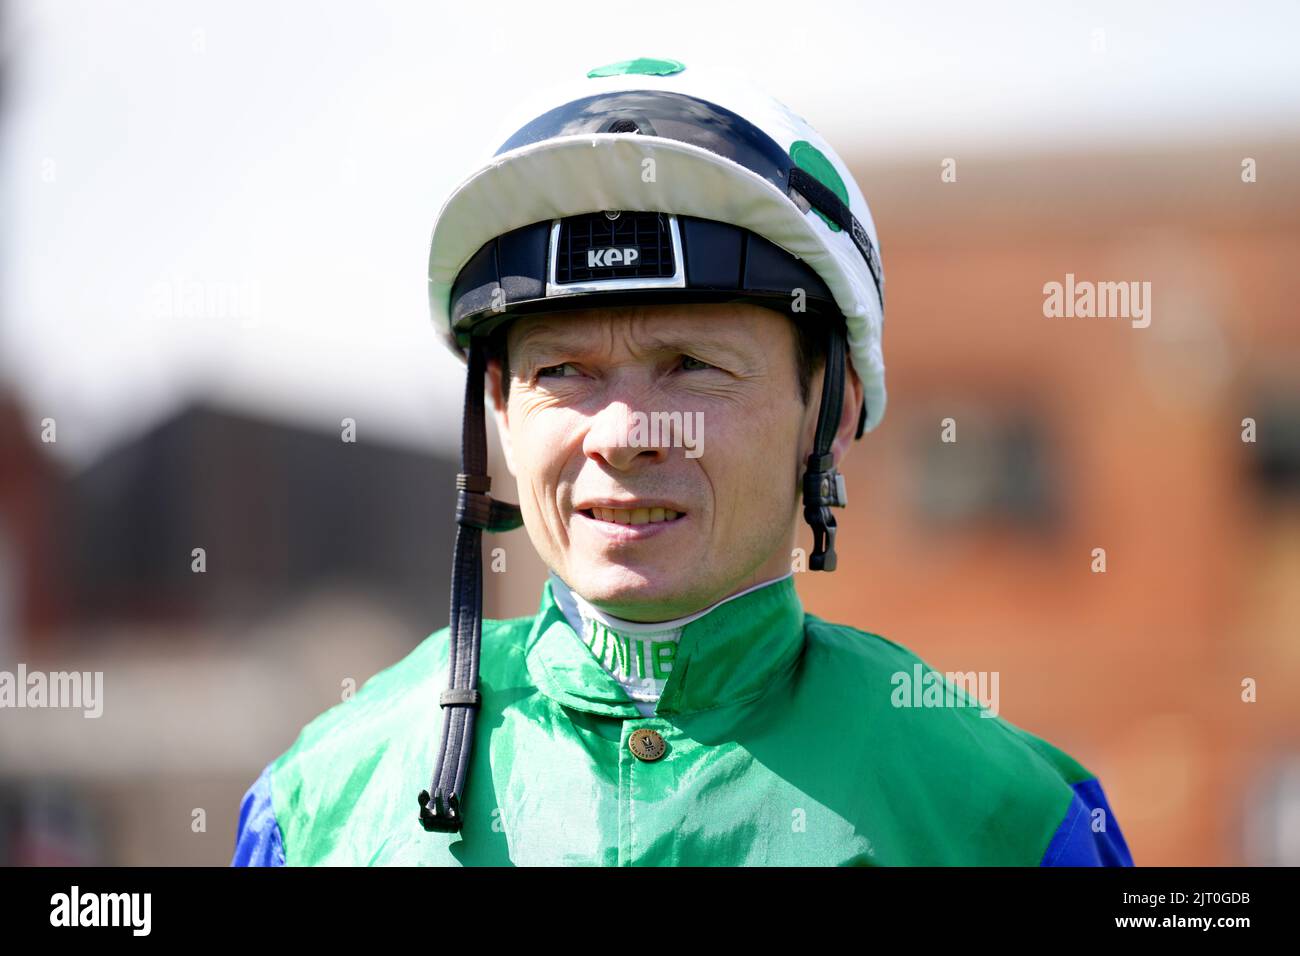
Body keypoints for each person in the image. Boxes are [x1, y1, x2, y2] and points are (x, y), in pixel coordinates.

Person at [231, 57, 1133, 866]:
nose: (622, 434)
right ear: (501, 409)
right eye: (564, 373)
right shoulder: (322, 806)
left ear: (833, 411)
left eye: (691, 366)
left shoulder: (1007, 819)